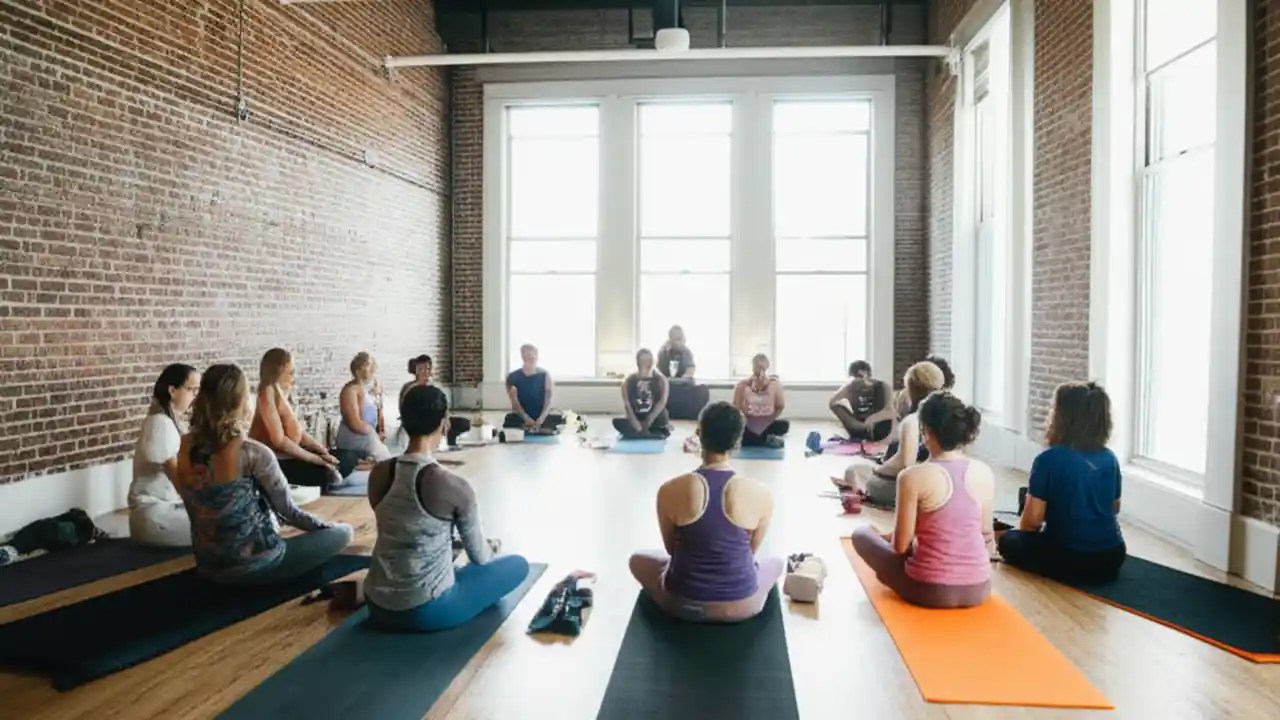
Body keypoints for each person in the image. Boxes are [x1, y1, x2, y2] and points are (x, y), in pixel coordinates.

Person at [366, 385, 530, 632]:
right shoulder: (454, 486)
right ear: (445, 424)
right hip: (425, 610)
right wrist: (491, 547)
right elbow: (480, 557)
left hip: (377, 605)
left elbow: (403, 527)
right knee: (518, 565)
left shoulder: (378, 473)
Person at [174, 364, 352, 584]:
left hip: (209, 567)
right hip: (258, 565)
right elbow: (289, 511)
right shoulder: (252, 453)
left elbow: (193, 506)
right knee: (345, 532)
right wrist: (328, 528)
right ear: (239, 401)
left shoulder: (185, 446)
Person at [629, 402, 784, 622]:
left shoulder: (670, 490)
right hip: (741, 607)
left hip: (681, 604)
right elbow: (750, 552)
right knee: (775, 563)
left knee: (638, 560)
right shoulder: (761, 493)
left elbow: (672, 549)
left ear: (699, 435)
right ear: (737, 443)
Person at [850, 391, 994, 608]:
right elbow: (986, 536)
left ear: (926, 432)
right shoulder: (984, 472)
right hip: (980, 589)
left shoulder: (911, 476)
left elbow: (900, 547)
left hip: (929, 590)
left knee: (860, 534)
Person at [997, 382, 1125, 584]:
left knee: (1009, 541)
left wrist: (1016, 533)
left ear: (1064, 418)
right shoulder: (1110, 458)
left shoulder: (1048, 459)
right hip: (1113, 556)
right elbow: (1114, 507)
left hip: (1070, 557)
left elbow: (1032, 522)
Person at [837, 361, 947, 507]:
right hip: (939, 485)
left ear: (910, 388)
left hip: (909, 489)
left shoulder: (913, 421)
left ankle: (862, 495)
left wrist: (879, 470)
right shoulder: (946, 416)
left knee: (853, 471)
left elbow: (906, 465)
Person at [249, 348, 344, 491]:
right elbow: (279, 440)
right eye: (290, 373)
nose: (293, 377)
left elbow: (299, 432)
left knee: (342, 458)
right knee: (326, 473)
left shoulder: (279, 391)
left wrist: (322, 451)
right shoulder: (266, 394)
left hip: (290, 455)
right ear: (278, 371)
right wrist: (314, 458)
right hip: (276, 461)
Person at [128, 364, 199, 547]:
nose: (195, 397)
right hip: (154, 515)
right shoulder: (160, 424)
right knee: (221, 528)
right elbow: (178, 478)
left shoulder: (169, 422)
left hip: (167, 510)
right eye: (192, 390)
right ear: (172, 390)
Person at [401, 354, 471, 447]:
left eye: (428, 369)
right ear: (416, 370)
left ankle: (450, 440)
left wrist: (446, 417)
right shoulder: (409, 388)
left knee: (463, 423)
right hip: (420, 420)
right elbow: (403, 407)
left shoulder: (434, 387)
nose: (426, 371)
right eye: (422, 368)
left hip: (436, 419)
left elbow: (443, 405)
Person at [336, 352, 391, 462]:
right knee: (385, 459)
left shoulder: (370, 390)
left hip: (369, 436)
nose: (373, 368)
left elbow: (378, 416)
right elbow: (354, 423)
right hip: (354, 437)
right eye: (369, 365)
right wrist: (374, 436)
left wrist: (381, 431)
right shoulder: (349, 390)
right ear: (359, 369)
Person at [828, 360, 895, 442]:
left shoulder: (883, 386)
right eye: (855, 377)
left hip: (878, 429)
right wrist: (846, 387)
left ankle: (865, 429)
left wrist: (872, 419)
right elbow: (832, 402)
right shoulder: (850, 388)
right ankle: (860, 430)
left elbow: (890, 412)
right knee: (836, 406)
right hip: (858, 427)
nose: (859, 381)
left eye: (859, 376)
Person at [613, 348, 671, 439]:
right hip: (637, 417)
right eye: (643, 360)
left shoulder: (661, 380)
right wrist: (636, 425)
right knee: (617, 422)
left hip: (655, 418)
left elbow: (662, 402)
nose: (646, 363)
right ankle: (647, 433)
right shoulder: (628, 381)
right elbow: (627, 405)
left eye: (648, 360)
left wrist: (649, 421)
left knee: (662, 420)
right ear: (638, 362)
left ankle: (649, 432)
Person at [504, 344, 564, 431]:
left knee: (557, 420)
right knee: (510, 421)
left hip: (542, 415)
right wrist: (526, 418)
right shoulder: (512, 377)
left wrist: (541, 418)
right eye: (527, 356)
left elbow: (549, 400)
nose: (530, 359)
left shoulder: (545, 375)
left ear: (537, 357)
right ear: (522, 357)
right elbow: (514, 403)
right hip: (522, 416)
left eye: (532, 357)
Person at [734, 353, 788, 448]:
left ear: (767, 367)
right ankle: (762, 438)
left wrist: (770, 420)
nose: (759, 369)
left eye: (762, 366)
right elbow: (735, 407)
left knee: (784, 425)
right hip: (749, 424)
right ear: (753, 367)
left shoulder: (774, 385)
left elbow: (780, 406)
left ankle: (761, 436)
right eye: (757, 366)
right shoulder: (743, 385)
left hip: (766, 422)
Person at [657, 325, 711, 420]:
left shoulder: (686, 352)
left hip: (683, 387)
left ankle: (691, 417)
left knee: (703, 390)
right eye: (679, 339)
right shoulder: (663, 353)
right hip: (669, 389)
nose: (683, 341)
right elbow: (660, 375)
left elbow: (690, 372)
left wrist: (680, 380)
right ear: (671, 340)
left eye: (683, 338)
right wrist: (671, 381)